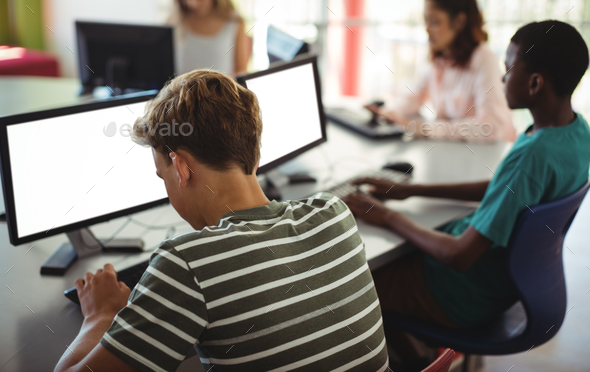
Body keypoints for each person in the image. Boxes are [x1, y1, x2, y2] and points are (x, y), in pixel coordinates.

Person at [54, 70, 388, 371]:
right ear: (254, 153)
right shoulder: (333, 212)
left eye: (163, 177)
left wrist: (100, 316)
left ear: (181, 168)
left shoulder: (186, 265)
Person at [344, 19, 590, 343]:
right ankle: (412, 353)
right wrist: (410, 190)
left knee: (347, 286)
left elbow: (458, 256)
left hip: (458, 294)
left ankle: (409, 357)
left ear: (534, 83)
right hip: (498, 286)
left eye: (508, 68)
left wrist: (384, 214)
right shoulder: (576, 133)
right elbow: (507, 189)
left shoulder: (531, 157)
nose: (502, 77)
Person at [366, 0, 516, 142]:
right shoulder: (440, 58)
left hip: (485, 156)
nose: (427, 29)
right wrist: (391, 112)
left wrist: (425, 128)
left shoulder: (484, 59)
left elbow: (491, 126)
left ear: (459, 22)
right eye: (426, 21)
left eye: (435, 22)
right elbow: (416, 96)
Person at [170, 0, 249, 76]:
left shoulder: (234, 22)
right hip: (182, 90)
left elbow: (241, 69)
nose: (193, 3)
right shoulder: (174, 21)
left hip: (220, 90)